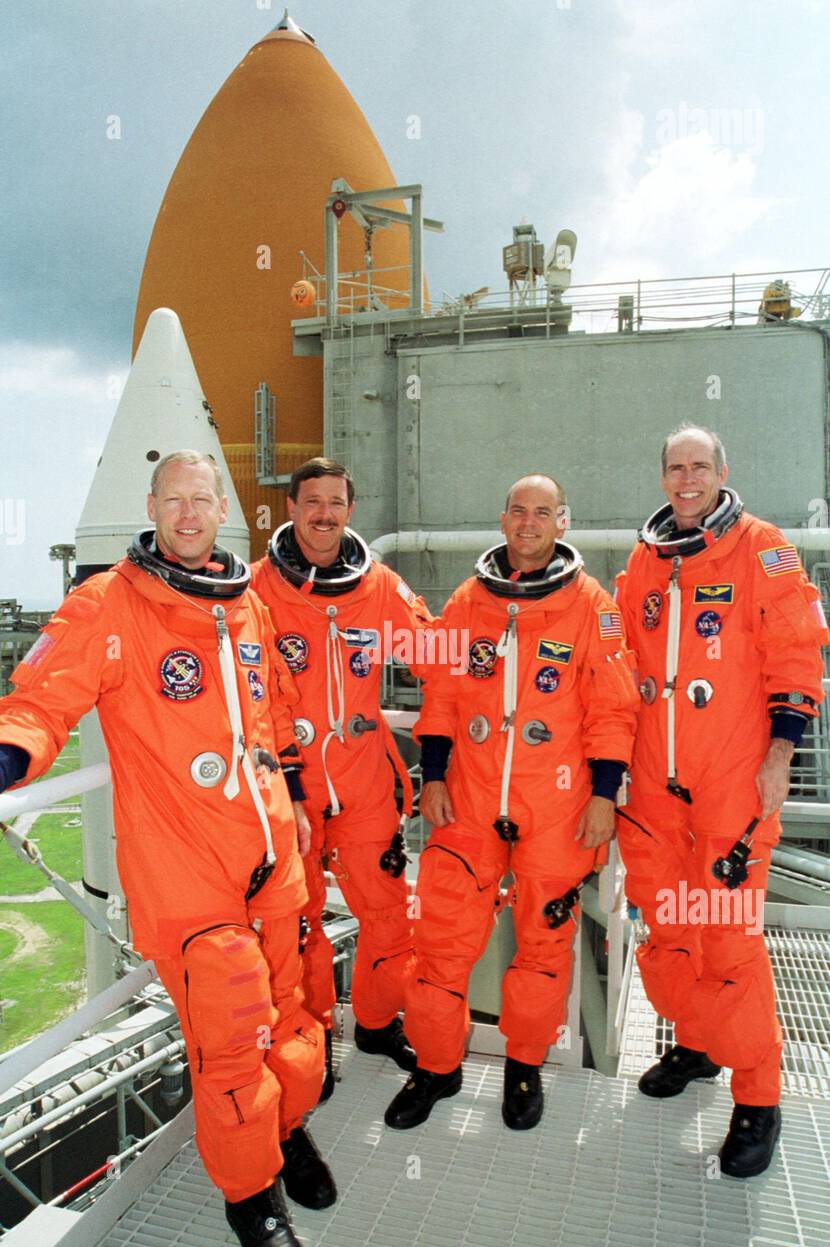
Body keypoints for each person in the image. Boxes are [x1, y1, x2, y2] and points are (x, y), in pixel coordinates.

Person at [0, 450, 335, 1247]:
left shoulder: (244, 603)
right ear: (151, 506)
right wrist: (9, 759)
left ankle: (285, 1132)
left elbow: (277, 713)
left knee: (294, 1019)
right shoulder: (107, 605)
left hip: (271, 860)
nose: (188, 514)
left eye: (202, 499)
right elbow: (39, 702)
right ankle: (251, 1199)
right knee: (230, 1045)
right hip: (187, 875)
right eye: (173, 500)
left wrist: (291, 797)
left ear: (224, 507)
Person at [384, 475, 639, 1130]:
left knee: (544, 944)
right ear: (503, 521)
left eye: (543, 513)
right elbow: (439, 695)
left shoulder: (595, 607)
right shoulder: (469, 601)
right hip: (465, 799)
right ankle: (437, 1066)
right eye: (519, 511)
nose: (529, 523)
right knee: (440, 937)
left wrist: (605, 796)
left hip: (556, 803)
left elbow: (614, 710)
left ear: (562, 522)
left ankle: (524, 1065)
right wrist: (433, 775)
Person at [614, 424, 827, 1177]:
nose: (686, 479)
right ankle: (701, 1044)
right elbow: (615, 661)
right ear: (663, 476)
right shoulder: (645, 561)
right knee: (670, 933)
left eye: (699, 466)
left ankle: (759, 1095)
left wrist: (780, 755)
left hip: (732, 785)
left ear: (721, 471)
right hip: (652, 790)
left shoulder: (762, 549)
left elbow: (798, 654)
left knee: (730, 943)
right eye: (675, 467)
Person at [251, 459, 433, 1095]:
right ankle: (311, 1039)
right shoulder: (254, 592)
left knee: (389, 914)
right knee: (298, 925)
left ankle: (379, 1023)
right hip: (290, 789)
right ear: (291, 510)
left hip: (364, 783)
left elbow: (436, 659)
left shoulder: (380, 587)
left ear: (349, 511)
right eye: (312, 502)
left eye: (336, 503)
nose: (324, 515)